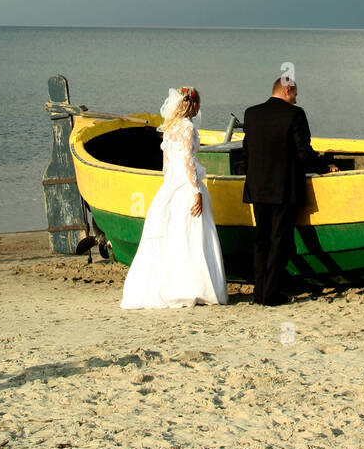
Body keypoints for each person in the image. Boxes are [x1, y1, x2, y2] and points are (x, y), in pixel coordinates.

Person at [121, 86, 227, 309]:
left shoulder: (169, 128)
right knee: (193, 236)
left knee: (172, 235)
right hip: (187, 185)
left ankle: (170, 285)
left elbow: (166, 164)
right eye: (199, 104)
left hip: (172, 183)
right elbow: (188, 160)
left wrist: (168, 187)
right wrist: (196, 191)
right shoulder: (187, 127)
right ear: (193, 104)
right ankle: (194, 287)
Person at [242, 76, 334, 306]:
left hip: (257, 186)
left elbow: (247, 150)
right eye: (294, 94)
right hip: (284, 187)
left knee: (261, 239)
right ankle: (270, 295)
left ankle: (259, 292)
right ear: (285, 91)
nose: (296, 99)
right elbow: (304, 153)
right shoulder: (295, 114)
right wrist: (324, 167)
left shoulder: (251, 113)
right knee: (280, 240)